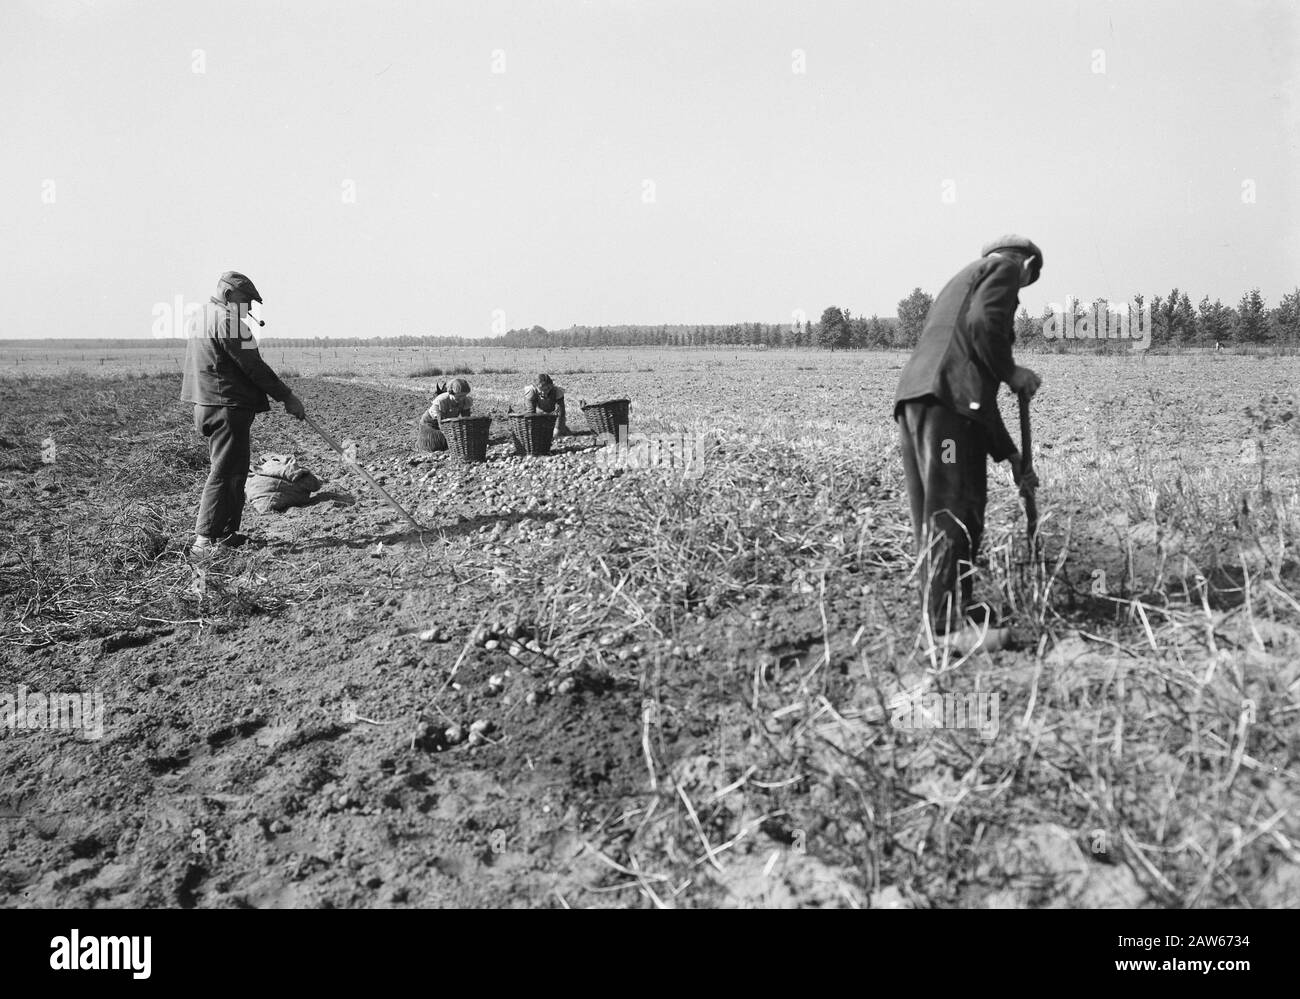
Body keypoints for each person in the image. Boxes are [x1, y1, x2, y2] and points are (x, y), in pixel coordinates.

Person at [893, 236, 1043, 635]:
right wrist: (1012, 371)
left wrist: (1012, 457)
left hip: (924, 402)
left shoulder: (961, 281)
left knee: (940, 511)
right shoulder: (1006, 268)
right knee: (953, 509)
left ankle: (951, 608)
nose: (1018, 301)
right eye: (1023, 291)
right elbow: (984, 322)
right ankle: (946, 627)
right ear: (1027, 266)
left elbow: (977, 391)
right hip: (946, 411)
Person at [180, 271, 306, 553]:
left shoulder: (201, 316)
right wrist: (287, 397)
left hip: (209, 405)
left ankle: (226, 534)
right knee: (225, 472)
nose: (249, 308)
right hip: (227, 407)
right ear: (228, 296)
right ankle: (203, 541)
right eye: (245, 300)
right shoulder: (229, 323)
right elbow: (255, 367)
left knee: (235, 470)